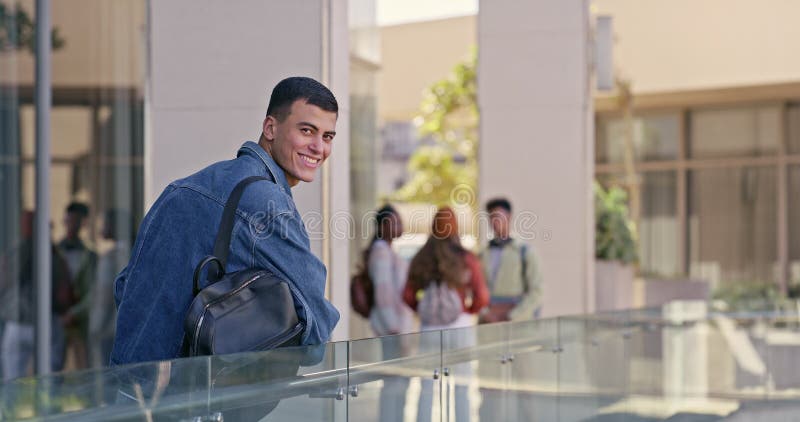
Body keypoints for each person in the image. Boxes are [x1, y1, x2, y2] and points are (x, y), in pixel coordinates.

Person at [111, 76, 340, 365]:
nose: (319, 147)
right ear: (271, 128)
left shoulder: (182, 189)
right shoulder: (268, 206)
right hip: (194, 399)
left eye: (328, 136)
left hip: (129, 390)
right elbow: (317, 330)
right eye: (307, 131)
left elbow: (125, 287)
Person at [403, 206, 489, 422]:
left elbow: (407, 295)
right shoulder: (466, 258)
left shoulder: (422, 257)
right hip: (459, 326)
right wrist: (468, 310)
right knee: (461, 385)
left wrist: (422, 310)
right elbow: (481, 296)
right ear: (456, 227)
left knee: (427, 385)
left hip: (430, 328)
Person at [1, 210, 73, 379]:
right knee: (49, 379)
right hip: (34, 321)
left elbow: (4, 282)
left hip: (26, 321)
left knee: (13, 380)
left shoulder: (18, 252)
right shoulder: (54, 255)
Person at [364, 204, 414, 422]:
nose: (401, 225)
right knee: (394, 383)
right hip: (392, 331)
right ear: (384, 225)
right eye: (396, 221)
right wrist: (395, 329)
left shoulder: (387, 250)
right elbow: (383, 293)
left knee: (397, 383)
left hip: (395, 330)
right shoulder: (381, 251)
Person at [478, 197, 542, 324]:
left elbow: (537, 292)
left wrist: (512, 316)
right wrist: (486, 314)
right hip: (488, 325)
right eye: (491, 217)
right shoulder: (482, 254)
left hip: (516, 326)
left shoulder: (524, 252)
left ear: (509, 216)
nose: (494, 222)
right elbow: (477, 289)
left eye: (498, 216)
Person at [88, 209, 132, 367]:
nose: (101, 228)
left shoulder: (111, 257)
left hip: (108, 330)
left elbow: (105, 296)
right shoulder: (134, 252)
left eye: (105, 223)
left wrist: (95, 328)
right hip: (127, 327)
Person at [58, 201, 98, 369]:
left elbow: (94, 291)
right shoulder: (53, 251)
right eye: (69, 220)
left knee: (84, 367)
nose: (71, 225)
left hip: (80, 319)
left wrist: (76, 313)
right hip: (57, 317)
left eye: (76, 221)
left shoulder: (90, 255)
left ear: (83, 223)